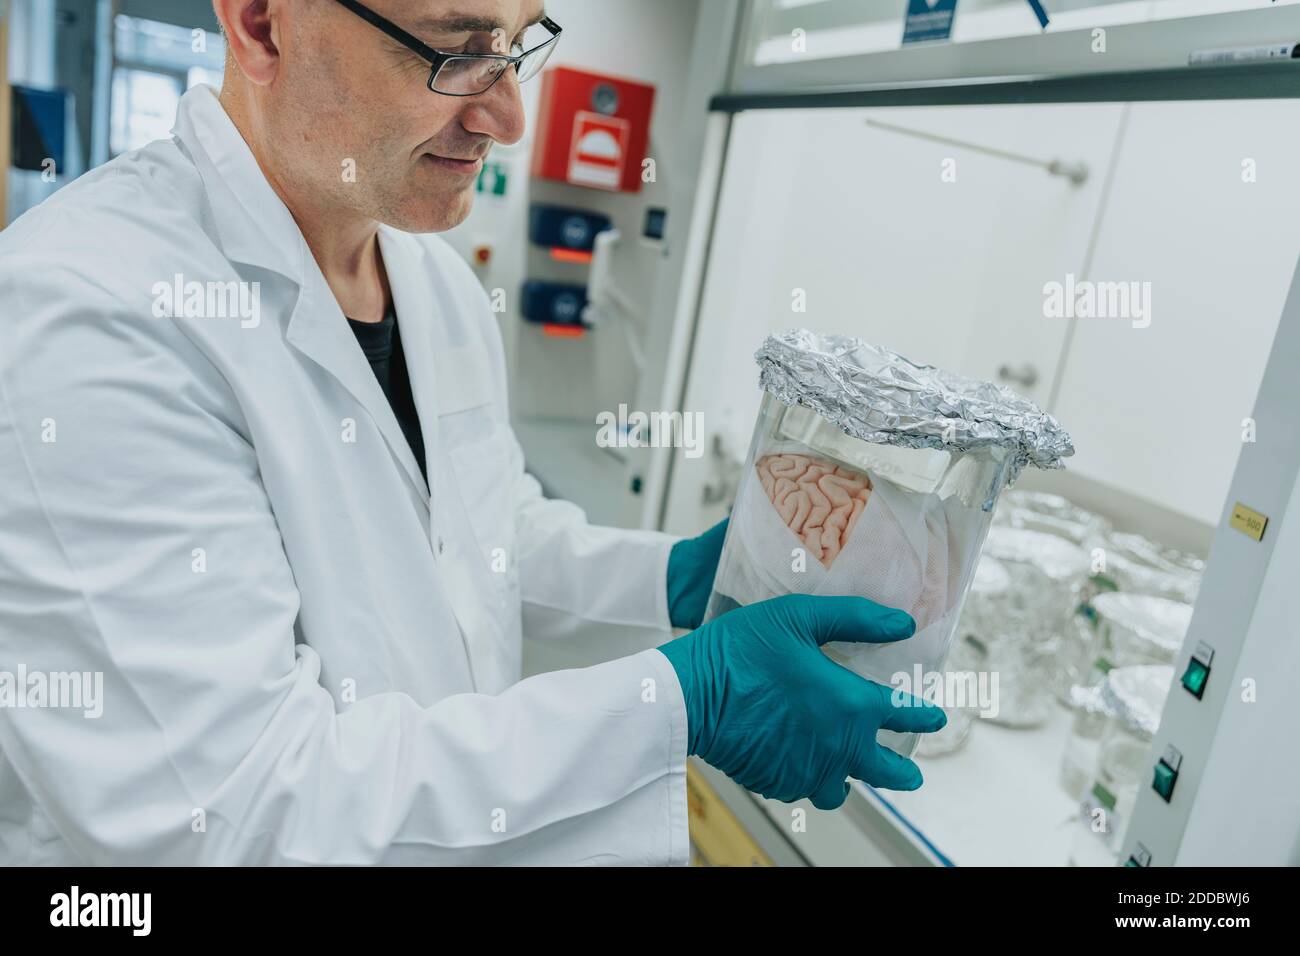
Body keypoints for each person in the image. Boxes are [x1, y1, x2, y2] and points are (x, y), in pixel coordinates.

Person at [0, 0, 944, 865]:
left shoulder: (432, 277)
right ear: (261, 26)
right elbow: (239, 815)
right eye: (455, 52)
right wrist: (678, 702)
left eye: (517, 43)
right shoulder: (88, 310)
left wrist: (674, 582)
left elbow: (480, 537)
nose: (509, 116)